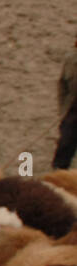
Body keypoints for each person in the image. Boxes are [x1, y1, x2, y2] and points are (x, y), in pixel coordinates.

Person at [54, 35, 77, 169]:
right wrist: (63, 110)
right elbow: (62, 85)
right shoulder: (71, 59)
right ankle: (58, 172)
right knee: (65, 143)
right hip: (72, 111)